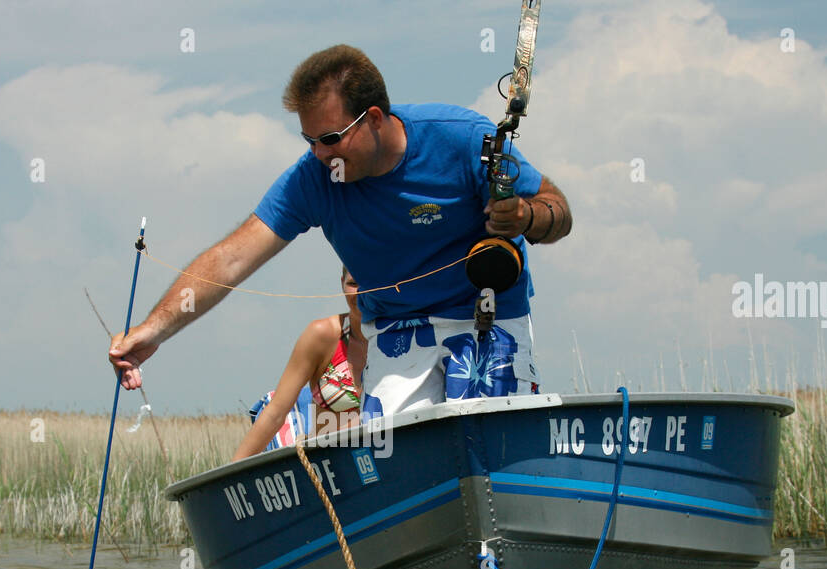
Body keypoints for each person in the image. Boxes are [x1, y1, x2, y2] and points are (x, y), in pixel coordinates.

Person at [109, 44, 571, 416]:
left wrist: (527, 218)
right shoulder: (314, 179)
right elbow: (231, 259)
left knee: (486, 443)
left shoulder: (463, 137)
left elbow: (558, 213)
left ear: (372, 118)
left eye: (330, 138)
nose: (318, 154)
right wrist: (153, 331)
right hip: (396, 330)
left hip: (488, 318)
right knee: (394, 460)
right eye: (308, 140)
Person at [233, 267, 367, 461]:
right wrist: (229, 477)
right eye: (353, 284)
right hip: (331, 467)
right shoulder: (323, 336)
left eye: (371, 282)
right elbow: (275, 413)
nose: (362, 292)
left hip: (390, 456)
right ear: (342, 283)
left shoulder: (406, 337)